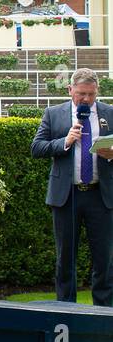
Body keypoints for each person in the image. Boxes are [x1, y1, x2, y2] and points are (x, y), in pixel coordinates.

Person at [30, 68, 113, 306]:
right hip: (67, 197)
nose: (86, 99)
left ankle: (104, 318)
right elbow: (36, 148)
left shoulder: (110, 113)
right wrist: (64, 142)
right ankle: (66, 314)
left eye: (90, 94)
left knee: (104, 261)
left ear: (97, 91)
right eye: (81, 94)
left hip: (101, 196)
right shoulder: (54, 114)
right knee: (65, 260)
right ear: (70, 91)